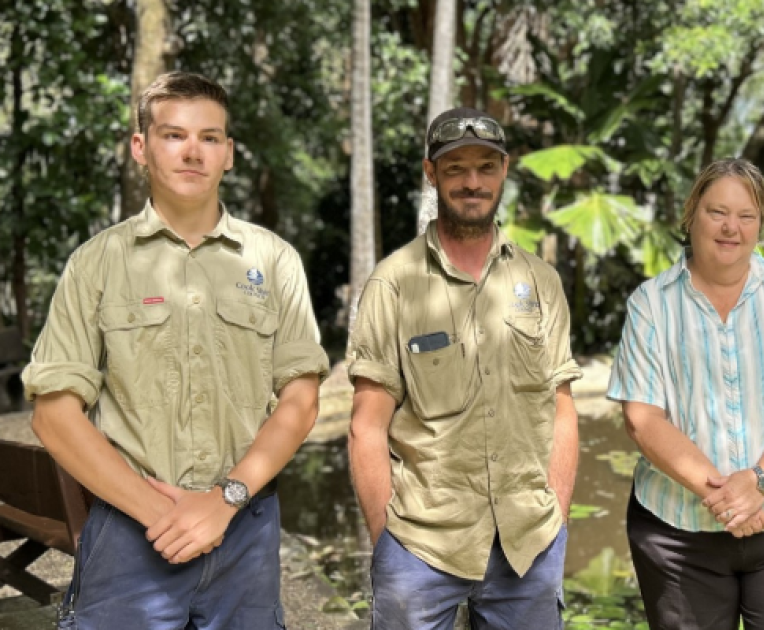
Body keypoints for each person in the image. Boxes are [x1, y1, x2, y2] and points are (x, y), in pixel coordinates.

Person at [21, 71, 330, 629]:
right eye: (173, 135)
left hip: (246, 531)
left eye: (210, 138)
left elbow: (301, 400)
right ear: (141, 146)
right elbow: (53, 415)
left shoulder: (275, 260)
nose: (193, 152)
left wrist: (224, 500)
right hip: (130, 533)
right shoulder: (96, 263)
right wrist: (161, 513)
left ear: (228, 154)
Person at [347, 107, 582, 630]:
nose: (472, 183)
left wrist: (557, 520)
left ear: (503, 172)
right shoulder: (394, 283)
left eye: (485, 167)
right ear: (431, 174)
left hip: (529, 544)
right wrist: (387, 541)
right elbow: (366, 425)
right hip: (421, 544)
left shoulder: (540, 282)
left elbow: (561, 410)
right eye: (455, 169)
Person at [607, 158, 764, 630]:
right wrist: (726, 498)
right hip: (679, 536)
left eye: (747, 216)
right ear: (691, 212)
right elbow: (643, 419)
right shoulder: (650, 305)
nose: (731, 228)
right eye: (718, 211)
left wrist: (759, 482)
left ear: (761, 223)